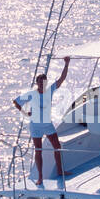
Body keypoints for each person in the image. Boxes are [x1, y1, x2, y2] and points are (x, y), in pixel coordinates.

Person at [14, 55, 71, 186]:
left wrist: (66, 64)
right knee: (38, 150)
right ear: (36, 83)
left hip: (47, 124)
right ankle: (40, 177)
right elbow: (16, 102)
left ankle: (60, 170)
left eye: (43, 81)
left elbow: (62, 79)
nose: (42, 83)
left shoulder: (50, 90)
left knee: (57, 147)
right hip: (35, 126)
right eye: (39, 81)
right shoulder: (31, 94)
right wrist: (25, 113)